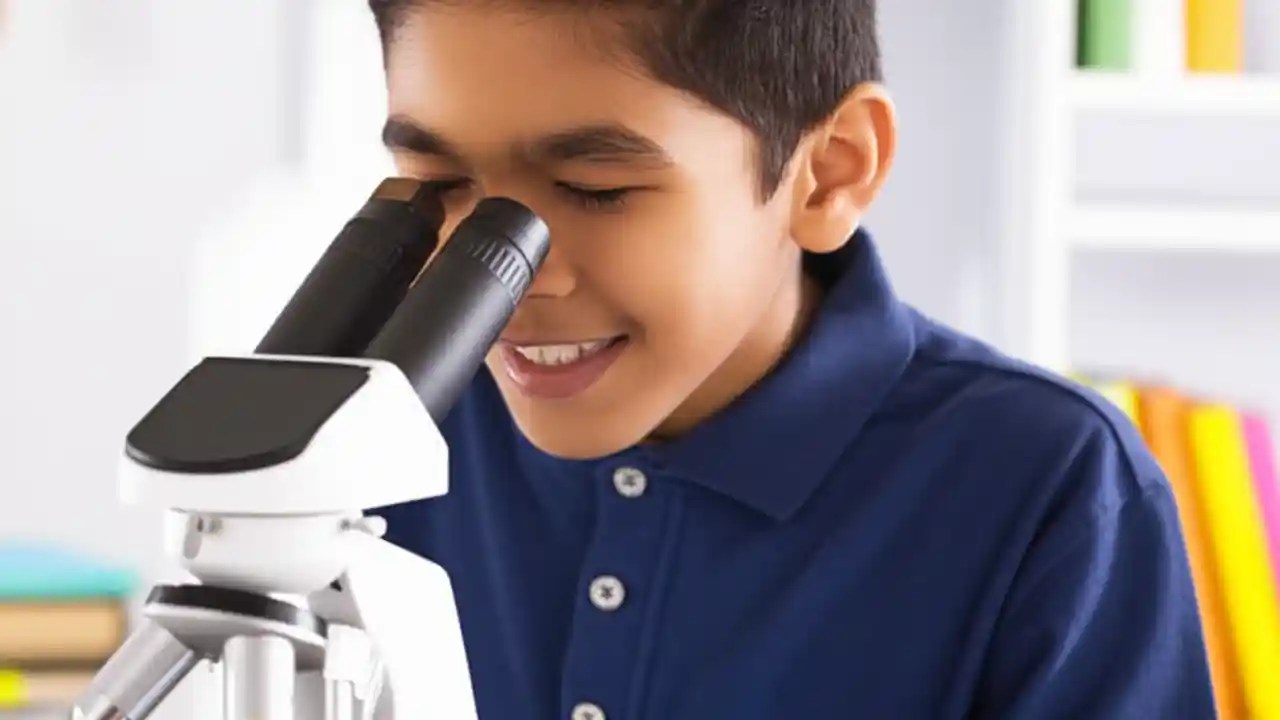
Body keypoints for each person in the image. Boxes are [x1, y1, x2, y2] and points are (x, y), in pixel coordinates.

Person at [367, 2, 1216, 718]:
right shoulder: (374, 431)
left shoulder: (1053, 487)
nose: (506, 280)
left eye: (597, 189)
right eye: (440, 183)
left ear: (829, 174)